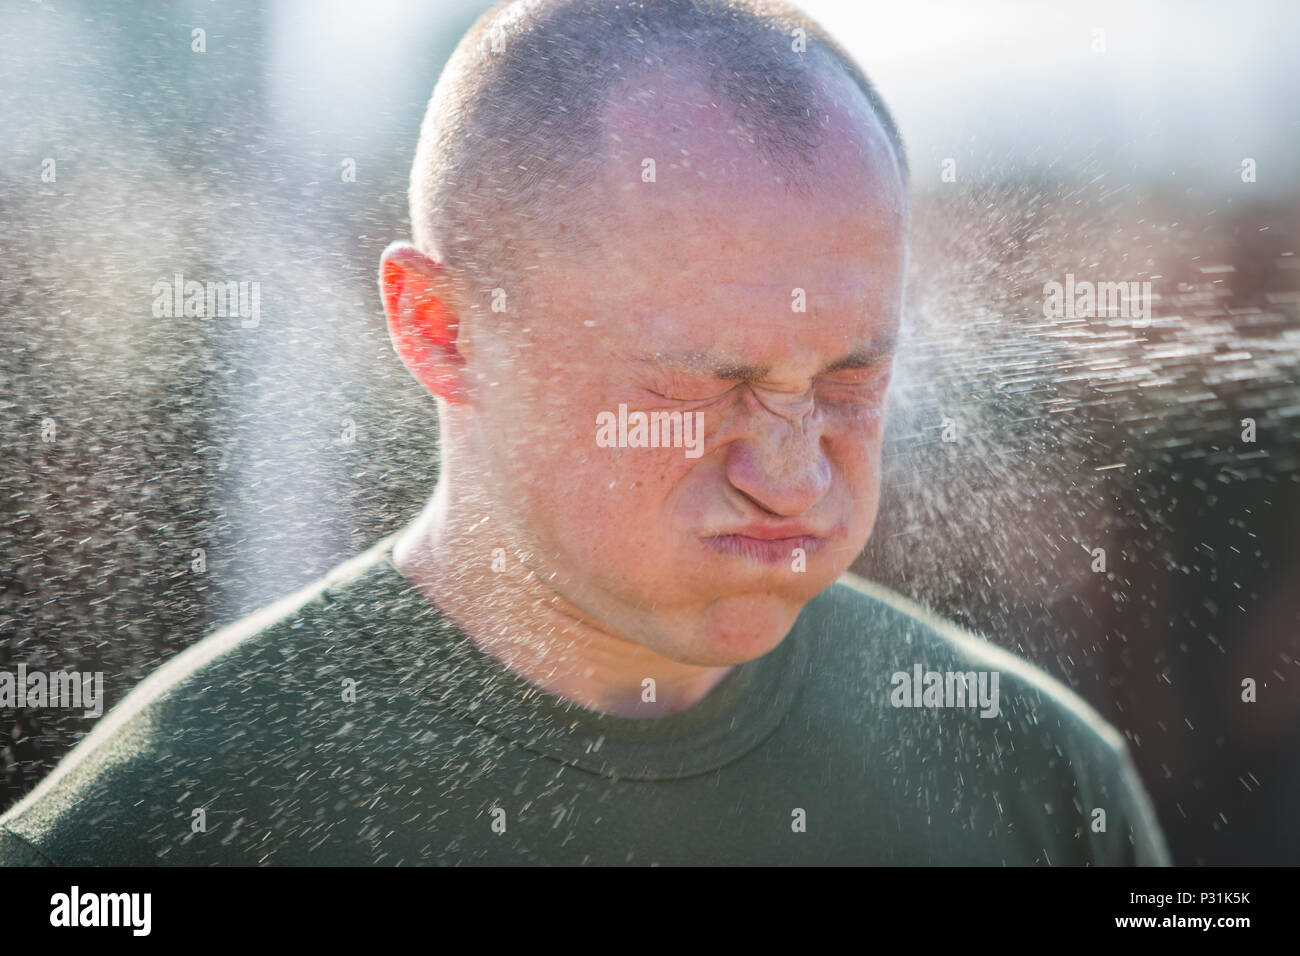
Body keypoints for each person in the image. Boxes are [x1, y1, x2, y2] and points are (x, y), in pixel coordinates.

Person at [0, 0, 1169, 865]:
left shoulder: (1038, 776)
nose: (793, 471)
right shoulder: (146, 836)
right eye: (697, 384)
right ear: (441, 327)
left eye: (852, 375)